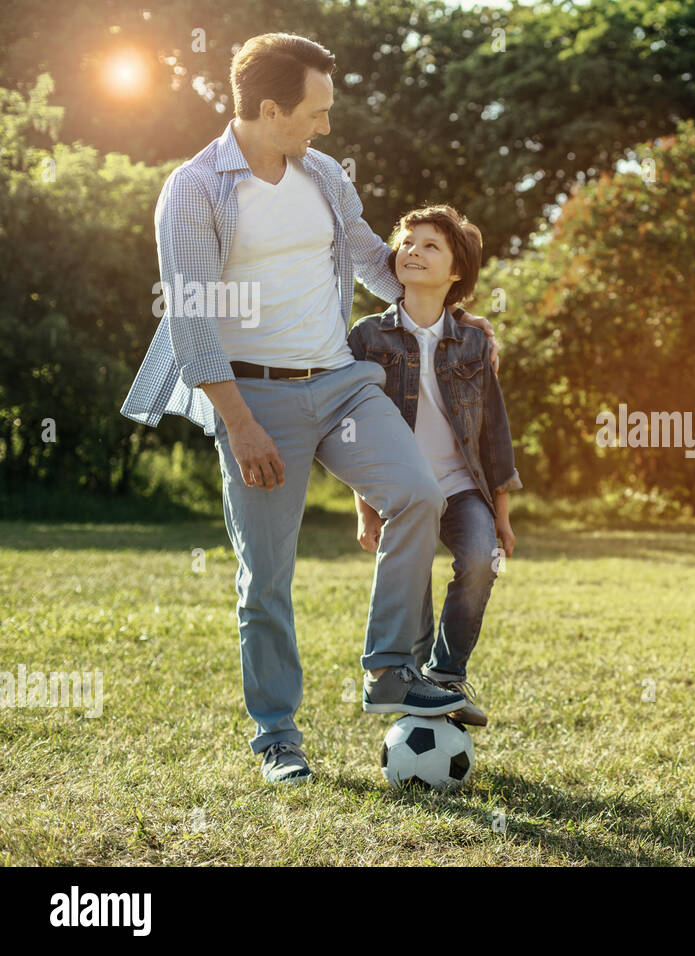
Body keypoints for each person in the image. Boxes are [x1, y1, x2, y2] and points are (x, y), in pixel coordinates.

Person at [118, 33, 501, 785]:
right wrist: (241, 421)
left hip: (341, 380)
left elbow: (367, 256)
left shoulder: (322, 174)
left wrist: (449, 313)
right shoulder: (195, 190)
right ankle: (277, 739)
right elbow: (192, 321)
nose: (326, 127)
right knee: (267, 576)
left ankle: (390, 669)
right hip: (253, 392)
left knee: (417, 494)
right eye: (317, 112)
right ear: (270, 108)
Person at [348, 205, 521, 727]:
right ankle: (409, 680)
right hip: (400, 487)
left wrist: (503, 515)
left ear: (455, 272)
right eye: (406, 243)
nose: (412, 252)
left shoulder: (473, 340)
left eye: (430, 246)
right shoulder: (366, 338)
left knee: (480, 558)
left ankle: (447, 676)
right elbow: (354, 431)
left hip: (462, 485)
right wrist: (366, 508)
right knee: (413, 590)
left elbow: (494, 432)